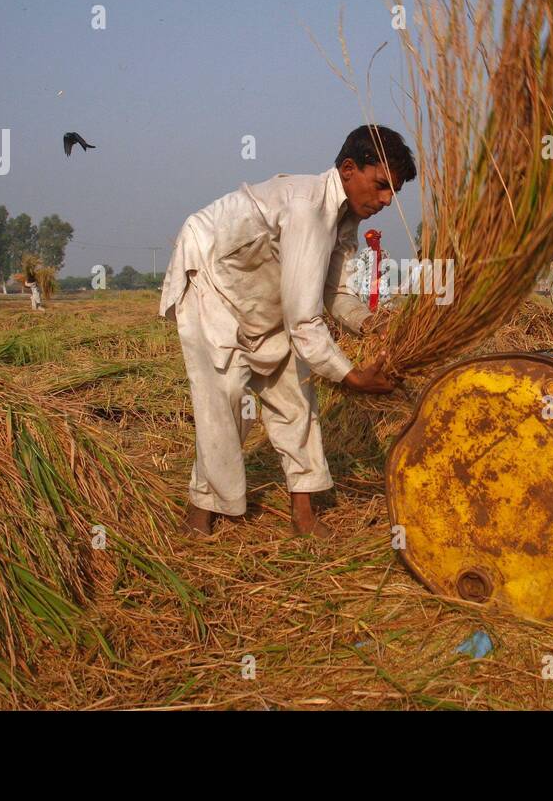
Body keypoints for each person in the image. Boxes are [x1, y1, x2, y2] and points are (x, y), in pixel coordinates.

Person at [159, 125, 415, 538]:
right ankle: (201, 513)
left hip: (263, 295)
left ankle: (305, 515)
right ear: (349, 169)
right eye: (382, 185)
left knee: (297, 398)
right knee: (224, 397)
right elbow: (304, 321)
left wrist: (373, 323)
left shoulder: (343, 222)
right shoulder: (307, 208)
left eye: (394, 192)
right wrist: (351, 377)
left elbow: (335, 293)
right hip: (211, 280)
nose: (386, 200)